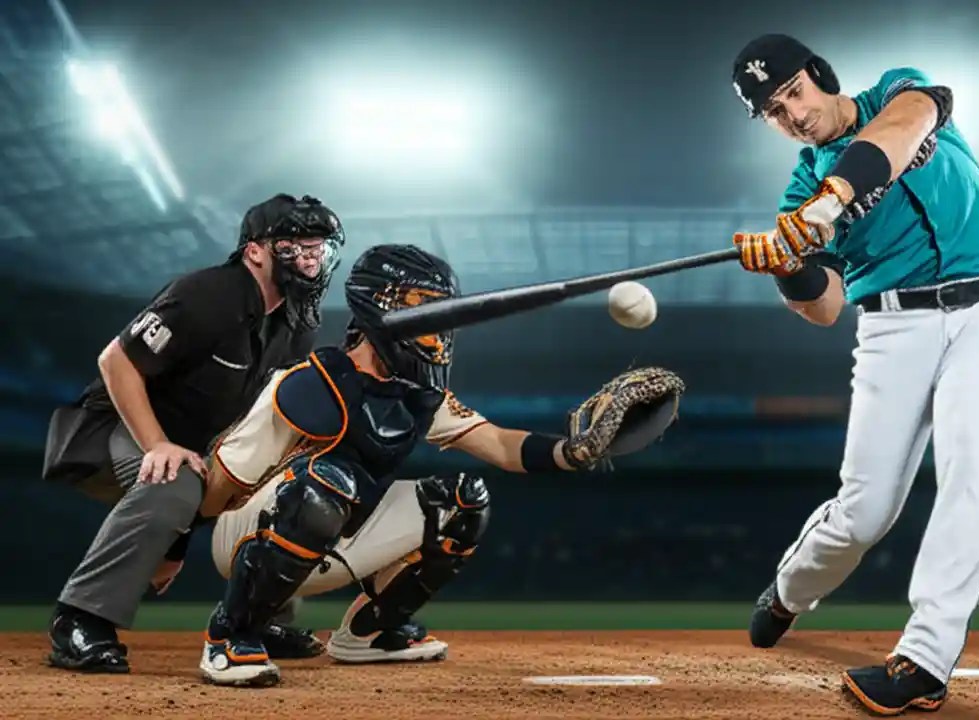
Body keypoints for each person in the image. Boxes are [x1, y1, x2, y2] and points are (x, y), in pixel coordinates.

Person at [193, 243, 684, 687]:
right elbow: (224, 482)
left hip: (339, 531)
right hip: (247, 532)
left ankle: (370, 632)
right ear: (378, 306)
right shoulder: (308, 384)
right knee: (328, 485)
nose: (436, 325)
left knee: (465, 499)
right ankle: (231, 634)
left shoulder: (418, 395)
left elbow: (499, 445)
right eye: (420, 306)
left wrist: (571, 451)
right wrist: (180, 540)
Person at [728, 35, 979, 716]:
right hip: (894, 329)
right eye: (774, 111)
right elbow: (825, 308)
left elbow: (904, 128)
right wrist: (787, 264)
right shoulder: (798, 192)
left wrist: (831, 204)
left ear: (819, 74)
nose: (793, 115)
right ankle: (789, 591)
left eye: (795, 92)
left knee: (971, 465)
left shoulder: (898, 90)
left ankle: (924, 659)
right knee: (865, 511)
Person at [42, 193, 346, 673]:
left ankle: (254, 618)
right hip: (116, 427)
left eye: (317, 247)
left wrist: (179, 536)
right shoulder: (207, 293)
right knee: (174, 477)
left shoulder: (298, 320)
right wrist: (156, 444)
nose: (309, 258)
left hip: (199, 447)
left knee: (289, 491)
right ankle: (79, 619)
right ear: (255, 251)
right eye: (293, 246)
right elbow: (116, 361)